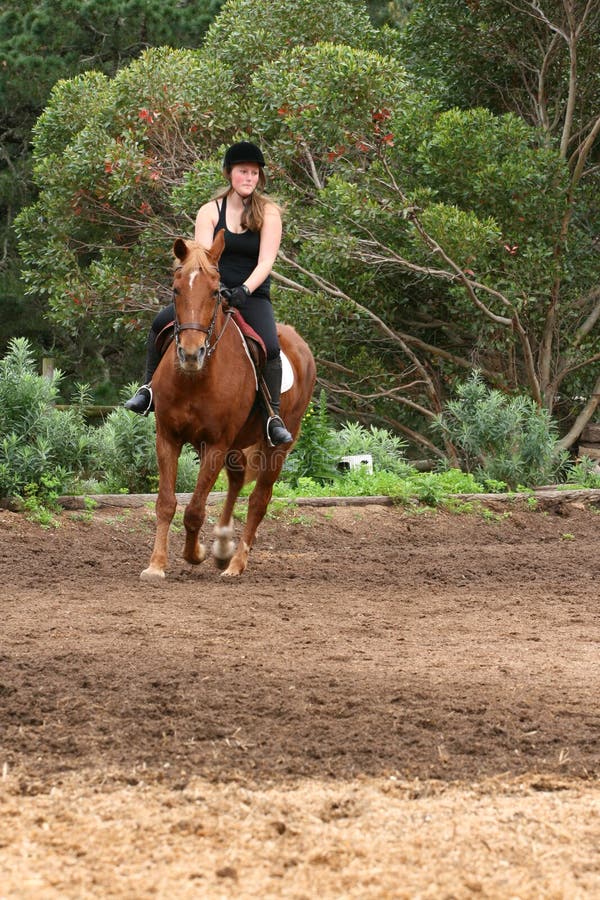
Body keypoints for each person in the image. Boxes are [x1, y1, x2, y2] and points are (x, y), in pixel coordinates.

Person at [124, 140, 292, 445]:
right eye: (243, 172)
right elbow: (202, 258)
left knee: (270, 346)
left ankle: (273, 417)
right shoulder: (209, 211)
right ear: (230, 174)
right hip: (210, 291)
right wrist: (219, 289)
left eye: (254, 173)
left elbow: (267, 260)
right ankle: (147, 389)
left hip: (251, 294)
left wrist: (242, 290)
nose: (249, 178)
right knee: (160, 322)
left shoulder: (269, 213)